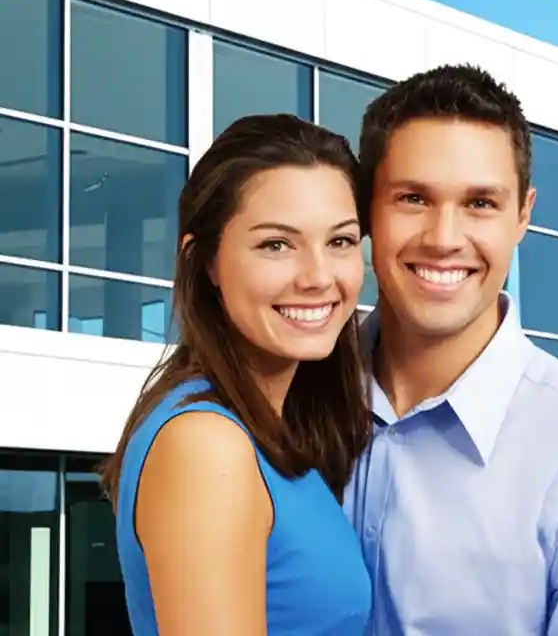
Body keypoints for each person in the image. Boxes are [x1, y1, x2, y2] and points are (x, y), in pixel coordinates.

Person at [342, 64, 558, 635]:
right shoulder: (287, 396)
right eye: (413, 198)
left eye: (480, 204)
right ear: (367, 209)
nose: (444, 238)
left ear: (523, 214)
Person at [99, 114, 373, 635]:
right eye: (276, 245)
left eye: (339, 241)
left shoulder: (275, 434)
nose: (318, 277)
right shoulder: (207, 444)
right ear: (205, 262)